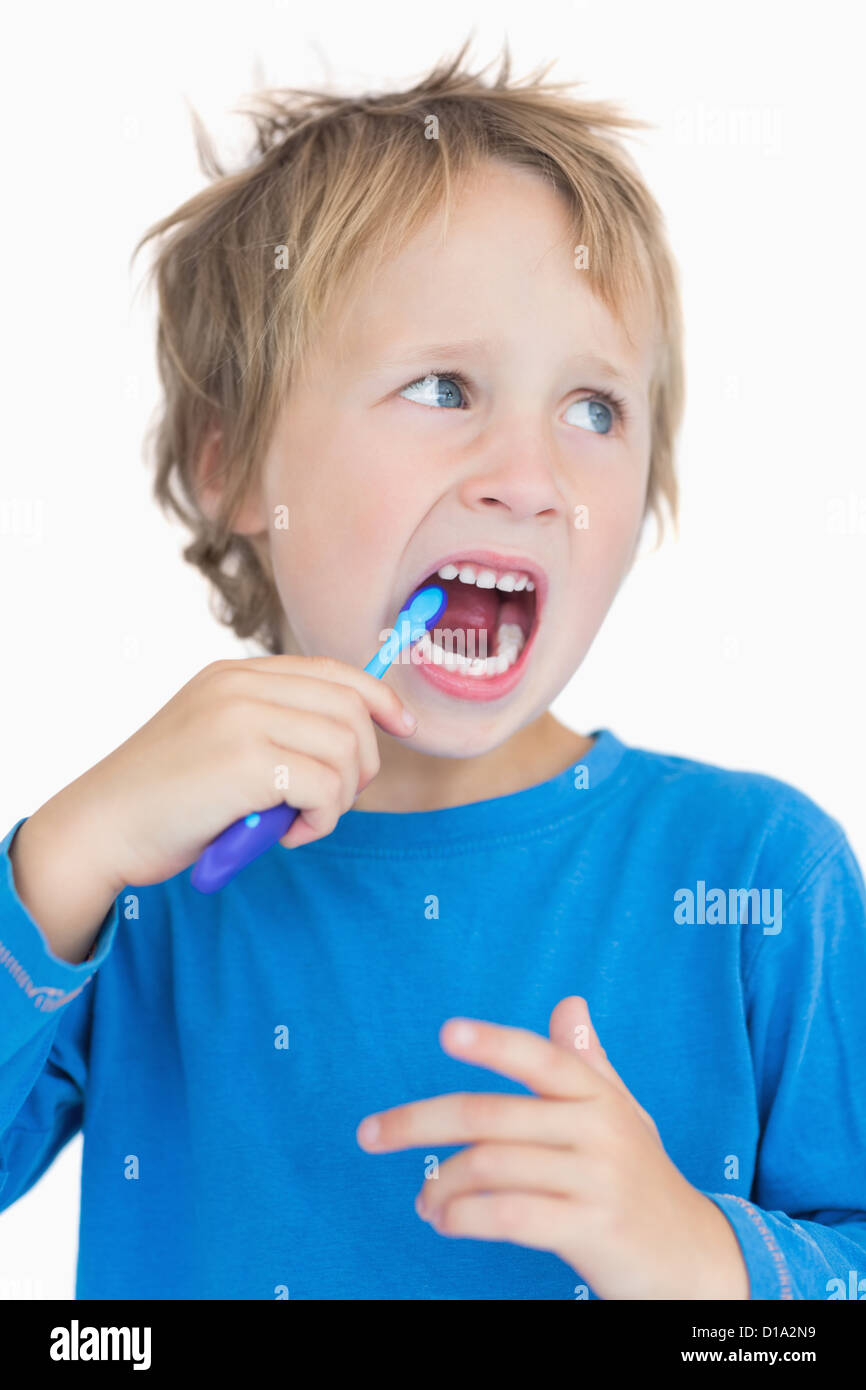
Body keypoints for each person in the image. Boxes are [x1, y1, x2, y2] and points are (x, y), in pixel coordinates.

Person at [2, 41, 865, 1300]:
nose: (528, 475)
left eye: (592, 408)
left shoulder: (756, 878)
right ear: (229, 466)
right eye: (444, 384)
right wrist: (63, 857)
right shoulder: (144, 885)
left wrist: (697, 1259)